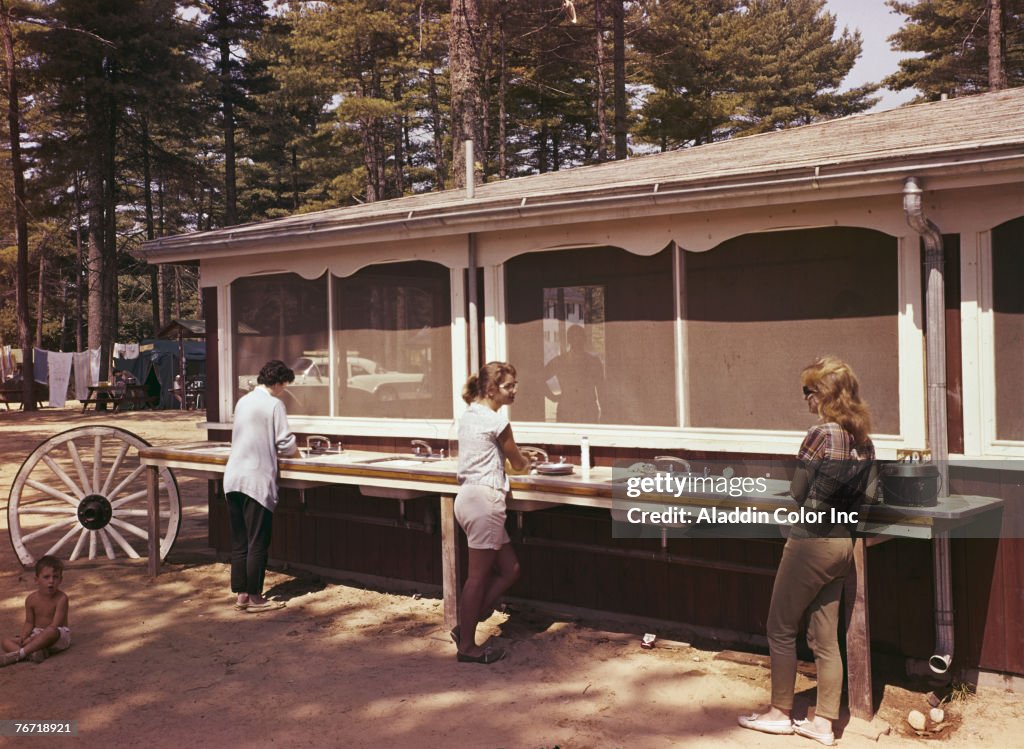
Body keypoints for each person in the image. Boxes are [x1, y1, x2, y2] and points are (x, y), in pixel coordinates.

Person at [739, 356, 876, 746]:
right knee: (825, 639)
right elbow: (868, 497)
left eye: (808, 392)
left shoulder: (821, 434)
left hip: (811, 542)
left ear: (825, 395)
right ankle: (824, 725)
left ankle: (780, 713)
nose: (806, 399)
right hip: (842, 545)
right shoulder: (865, 441)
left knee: (780, 627)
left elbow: (798, 492)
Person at [451, 361, 530, 664]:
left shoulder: (470, 415)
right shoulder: (497, 423)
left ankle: (465, 628)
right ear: (491, 389)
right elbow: (519, 462)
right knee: (477, 579)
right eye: (509, 386)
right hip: (486, 501)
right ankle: (468, 648)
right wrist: (528, 463)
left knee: (510, 569)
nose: (515, 391)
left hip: (468, 499)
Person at [223, 359, 298, 613]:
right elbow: (285, 442)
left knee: (240, 541)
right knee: (258, 541)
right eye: (284, 384)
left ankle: (242, 595)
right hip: (256, 479)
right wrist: (298, 454)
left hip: (233, 477)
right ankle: (256, 598)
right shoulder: (275, 404)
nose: (283, 389)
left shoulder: (243, 401)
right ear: (277, 382)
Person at [1, 556, 71, 666]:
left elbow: (55, 625)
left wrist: (33, 639)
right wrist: (24, 636)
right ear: (36, 580)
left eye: (55, 577)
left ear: (60, 580)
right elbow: (29, 622)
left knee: (50, 631)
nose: (51, 581)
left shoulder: (61, 599)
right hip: (36, 634)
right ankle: (33, 654)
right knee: (5, 641)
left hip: (56, 636)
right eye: (46, 577)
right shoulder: (31, 599)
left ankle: (20, 654)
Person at [542, 325, 605, 423]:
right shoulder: (560, 361)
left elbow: (601, 389)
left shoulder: (594, 362)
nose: (577, 340)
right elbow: (539, 379)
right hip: (567, 410)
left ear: (584, 339)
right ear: (570, 340)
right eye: (574, 337)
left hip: (587, 410)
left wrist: (604, 412)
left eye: (579, 337)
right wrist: (552, 397)